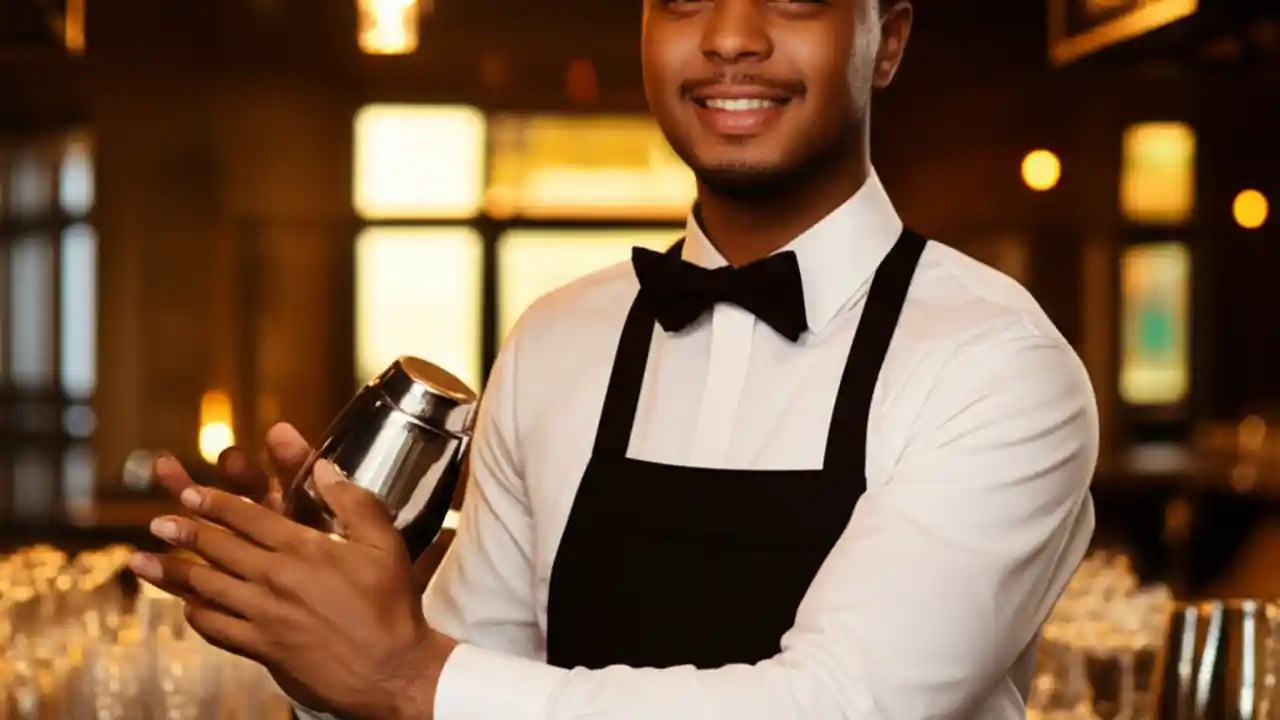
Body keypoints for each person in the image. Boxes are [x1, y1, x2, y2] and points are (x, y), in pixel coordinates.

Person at [131, 0, 1100, 717]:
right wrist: (317, 638)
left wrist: (406, 669)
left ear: (885, 36)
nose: (728, 35)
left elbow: (844, 704)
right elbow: (450, 686)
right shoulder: (557, 340)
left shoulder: (996, 364)